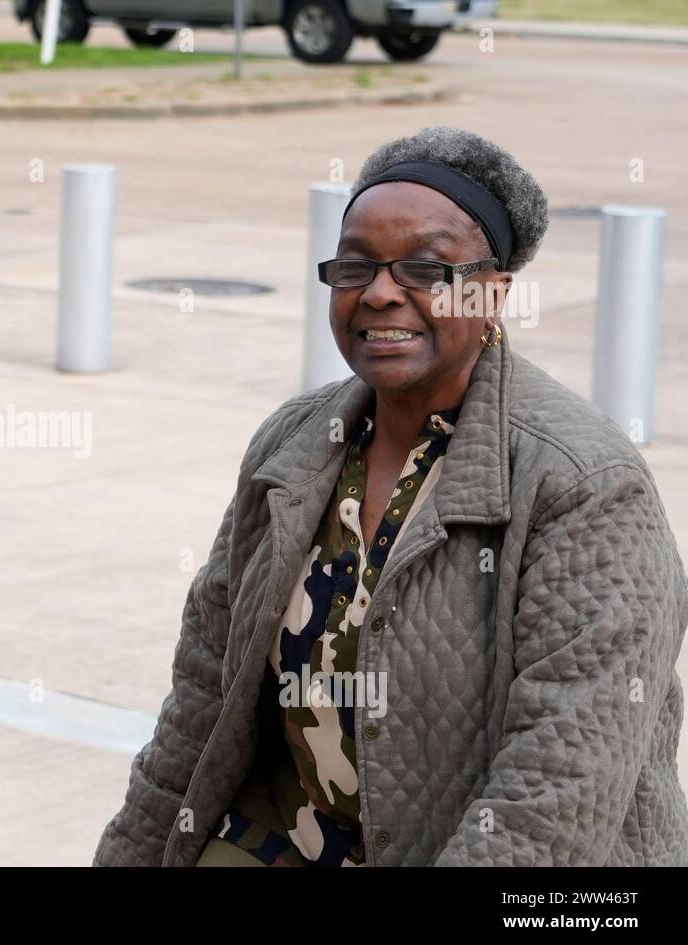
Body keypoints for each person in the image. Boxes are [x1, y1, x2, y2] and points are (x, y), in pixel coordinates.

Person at [93, 126, 688, 866]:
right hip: (295, 833)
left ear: (492, 291)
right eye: (355, 267)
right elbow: (202, 700)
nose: (380, 292)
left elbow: (560, 786)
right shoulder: (292, 445)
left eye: (427, 269)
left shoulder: (585, 485)